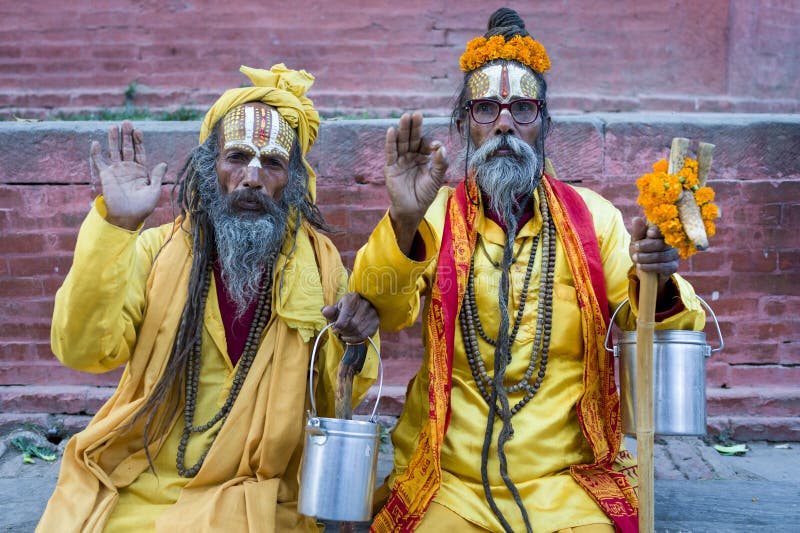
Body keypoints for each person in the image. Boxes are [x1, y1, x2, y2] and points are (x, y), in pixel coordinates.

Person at [351, 8, 706, 533]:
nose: (503, 123)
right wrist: (402, 222)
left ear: (542, 124)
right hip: (451, 482)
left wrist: (658, 279)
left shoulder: (595, 219)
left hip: (567, 483)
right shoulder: (433, 215)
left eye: (521, 108)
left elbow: (644, 327)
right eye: (486, 108)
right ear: (464, 123)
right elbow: (380, 306)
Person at [38, 64, 379, 532]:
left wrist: (354, 341)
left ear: (294, 180)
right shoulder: (156, 250)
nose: (252, 179)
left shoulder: (320, 269)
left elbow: (341, 391)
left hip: (252, 495)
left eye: (273, 163)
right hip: (144, 484)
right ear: (209, 167)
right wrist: (116, 227)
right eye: (237, 156)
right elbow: (83, 351)